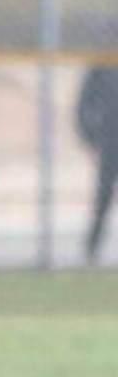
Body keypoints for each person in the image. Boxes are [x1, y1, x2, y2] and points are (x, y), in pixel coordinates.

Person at [77, 61, 118, 264]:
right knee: (103, 198)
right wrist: (90, 139)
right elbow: (83, 105)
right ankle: (92, 248)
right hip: (110, 142)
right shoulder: (101, 66)